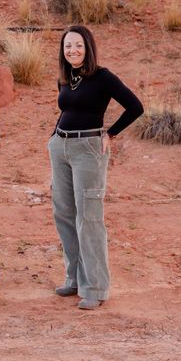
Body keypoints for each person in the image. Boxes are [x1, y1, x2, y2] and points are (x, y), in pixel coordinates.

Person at [49, 25, 143, 310]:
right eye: (68, 46)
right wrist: (54, 137)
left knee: (88, 217)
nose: (72, 50)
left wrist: (110, 133)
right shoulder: (66, 77)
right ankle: (75, 278)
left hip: (88, 150)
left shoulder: (103, 77)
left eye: (78, 45)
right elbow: (67, 109)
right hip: (60, 147)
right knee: (64, 213)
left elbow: (135, 106)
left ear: (88, 47)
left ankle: (96, 287)